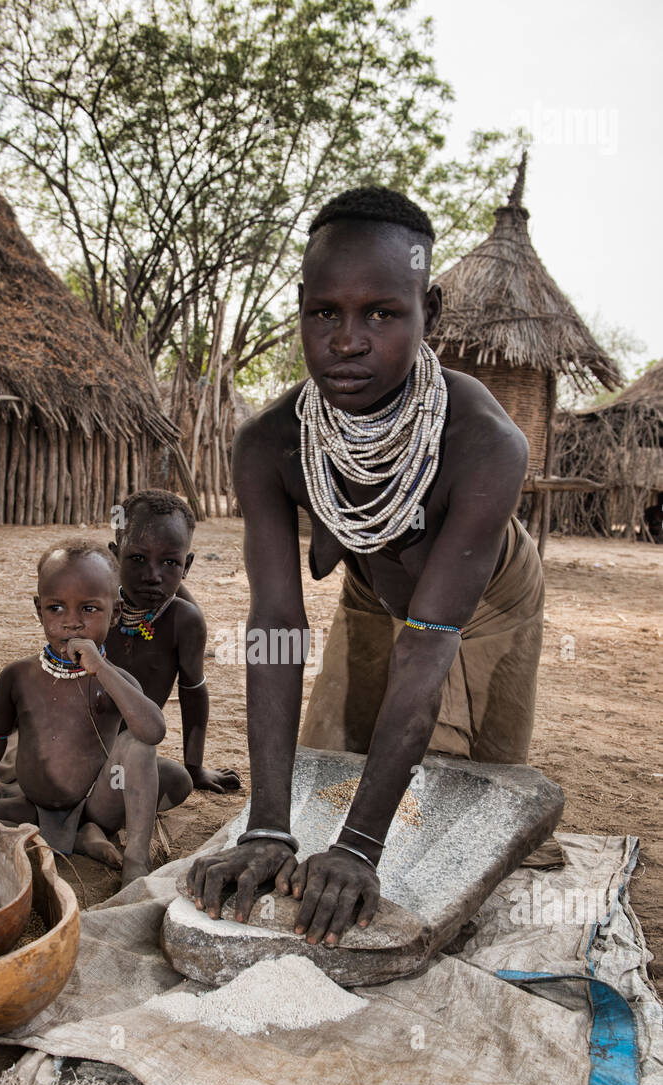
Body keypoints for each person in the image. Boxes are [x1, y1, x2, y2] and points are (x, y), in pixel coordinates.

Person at [186, 185, 545, 947]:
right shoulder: (270, 444)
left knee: (458, 803)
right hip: (372, 589)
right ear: (302, 308)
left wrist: (359, 848)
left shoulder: (485, 444)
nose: (348, 340)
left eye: (382, 313)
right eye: (326, 313)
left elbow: (429, 643)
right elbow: (277, 626)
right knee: (331, 768)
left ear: (431, 312)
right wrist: (268, 827)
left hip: (482, 608)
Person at [0, 490, 241, 859]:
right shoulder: (89, 603)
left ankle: (62, 817)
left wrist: (195, 767)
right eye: (136, 559)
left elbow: (194, 690)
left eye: (170, 563)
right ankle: (48, 813)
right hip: (41, 741)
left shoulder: (183, 620)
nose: (152, 575)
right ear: (115, 554)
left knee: (173, 779)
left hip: (108, 756)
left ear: (186, 565)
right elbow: (38, 684)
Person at [0, 540, 166, 885]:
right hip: (32, 806)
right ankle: (83, 837)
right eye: (56, 609)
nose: (72, 623)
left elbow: (153, 731)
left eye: (89, 609)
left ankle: (135, 860)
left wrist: (101, 669)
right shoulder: (17, 676)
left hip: (98, 803)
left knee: (139, 745)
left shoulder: (114, 681)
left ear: (116, 612)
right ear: (39, 610)